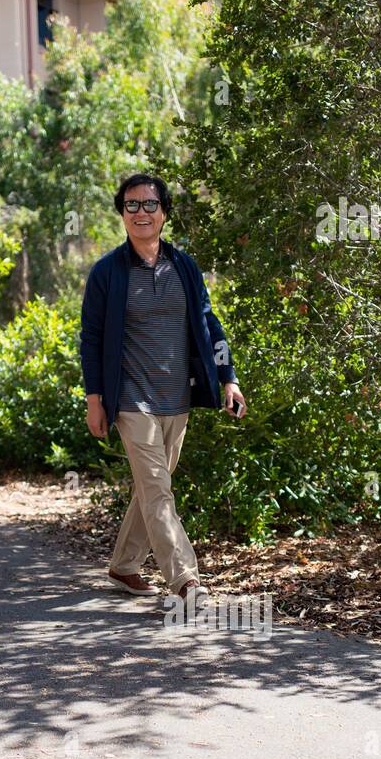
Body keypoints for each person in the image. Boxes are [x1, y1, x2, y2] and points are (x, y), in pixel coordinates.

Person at [80, 173, 246, 602]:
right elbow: (92, 338)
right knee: (157, 487)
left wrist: (228, 376)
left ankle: (123, 567)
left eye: (150, 205)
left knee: (152, 487)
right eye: (131, 205)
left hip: (178, 396)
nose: (141, 213)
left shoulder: (184, 267)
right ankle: (185, 579)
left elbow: (210, 324)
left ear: (164, 213)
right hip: (131, 397)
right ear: (121, 213)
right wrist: (94, 399)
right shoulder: (107, 273)